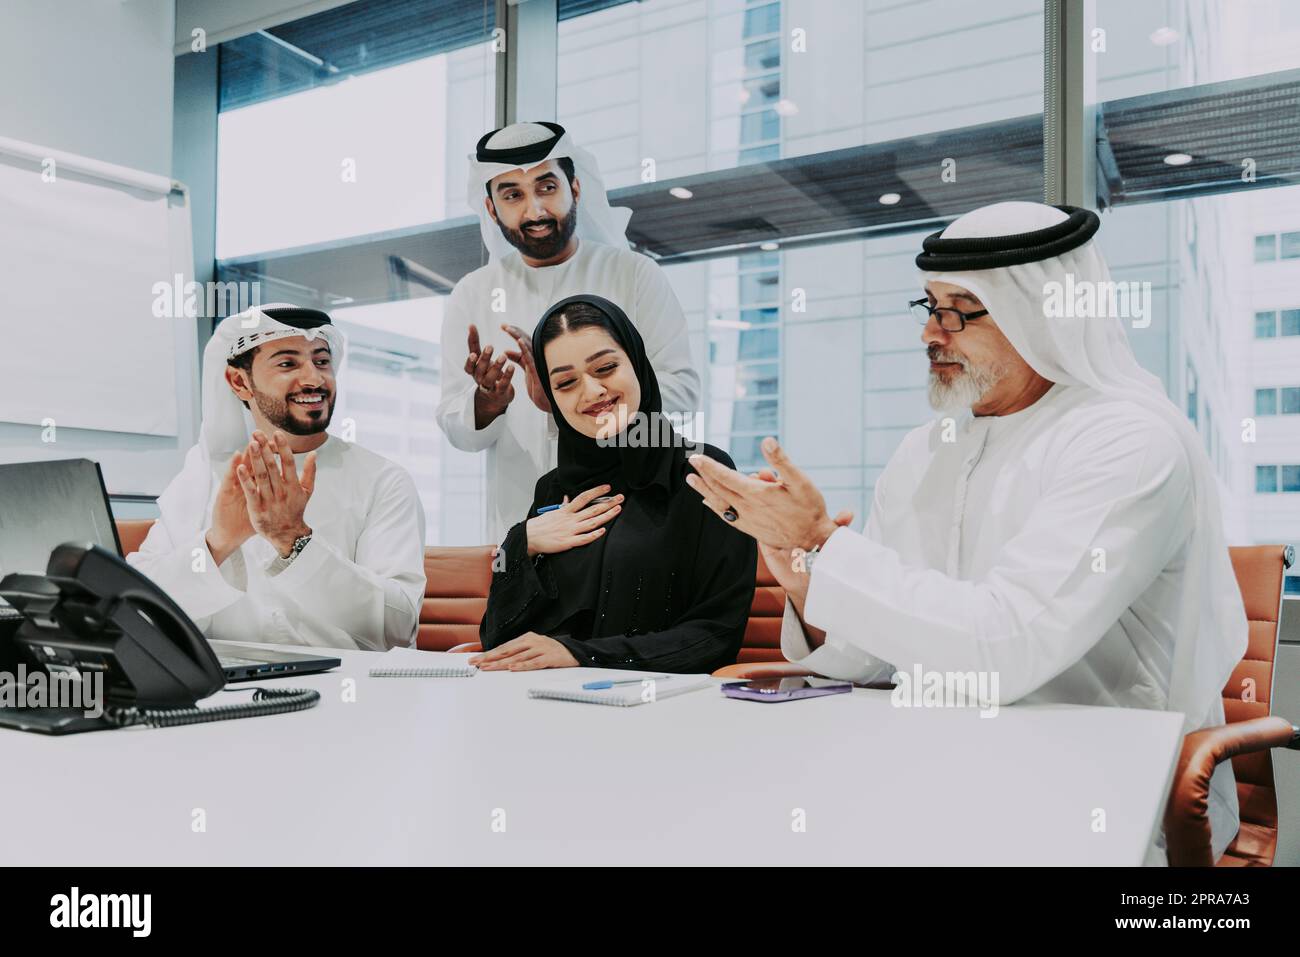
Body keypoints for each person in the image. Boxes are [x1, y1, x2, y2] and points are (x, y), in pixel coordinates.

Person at [684, 202, 1248, 864]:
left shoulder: (1126, 442)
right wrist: (808, 576)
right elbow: (881, 658)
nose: (930, 331)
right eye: (927, 306)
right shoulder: (925, 451)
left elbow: (1001, 648)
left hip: (1100, 786)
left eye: (958, 310)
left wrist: (829, 547)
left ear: (1044, 312)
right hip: (932, 758)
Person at [437, 121, 700, 539]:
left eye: (547, 187)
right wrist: (489, 402)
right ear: (491, 209)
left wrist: (565, 401)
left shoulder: (633, 275)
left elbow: (682, 396)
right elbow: (458, 432)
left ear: (575, 188)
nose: (535, 210)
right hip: (522, 526)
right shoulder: (472, 293)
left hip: (634, 520)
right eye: (513, 195)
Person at [470, 294, 755, 674]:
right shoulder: (552, 490)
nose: (592, 392)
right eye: (567, 382)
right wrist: (521, 542)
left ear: (636, 362)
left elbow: (716, 634)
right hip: (544, 708)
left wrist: (581, 655)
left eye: (605, 368)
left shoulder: (702, 472)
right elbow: (498, 641)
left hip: (664, 711)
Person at [128, 304, 427, 651]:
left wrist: (294, 541)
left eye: (321, 361)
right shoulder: (201, 477)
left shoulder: (383, 481)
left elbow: (399, 626)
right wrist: (217, 543)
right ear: (239, 382)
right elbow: (138, 609)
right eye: (288, 364)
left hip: (344, 689)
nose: (314, 379)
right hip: (225, 693)